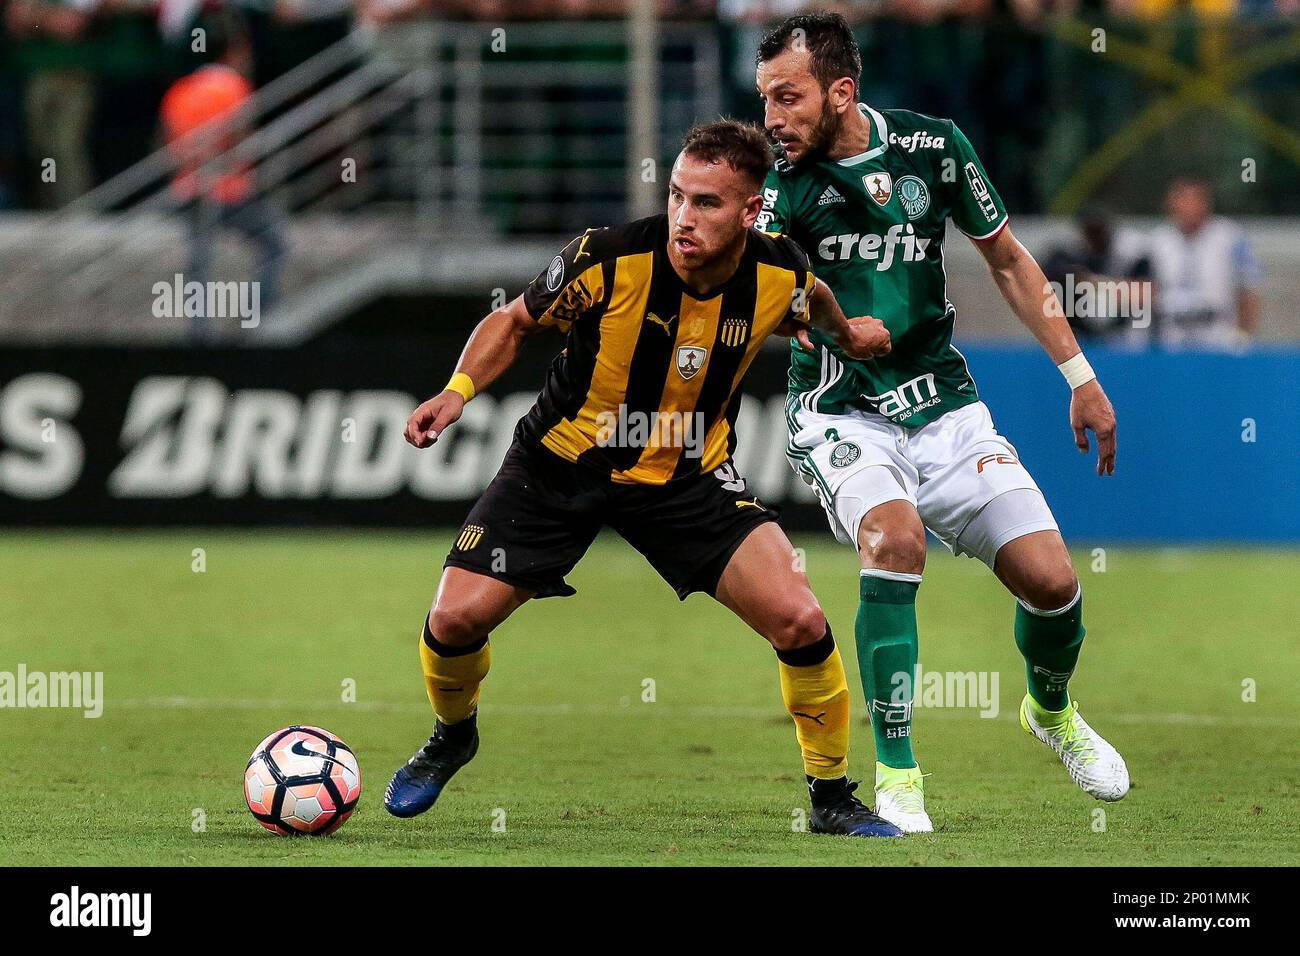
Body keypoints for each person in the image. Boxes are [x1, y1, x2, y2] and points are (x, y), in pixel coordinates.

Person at [384, 118, 905, 837]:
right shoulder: (606, 258)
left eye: (707, 203)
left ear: (750, 211)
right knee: (453, 621)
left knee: (802, 620)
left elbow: (812, 302)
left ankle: (831, 797)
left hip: (688, 477)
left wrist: (848, 335)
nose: (684, 217)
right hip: (560, 467)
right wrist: (457, 391)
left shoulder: (780, 272)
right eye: (677, 195)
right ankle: (452, 736)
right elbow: (514, 321)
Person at [755, 12, 1129, 833]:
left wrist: (1081, 377)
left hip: (944, 405)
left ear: (840, 92)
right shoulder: (779, 191)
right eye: (766, 100)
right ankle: (898, 773)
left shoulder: (934, 147)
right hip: (841, 409)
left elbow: (1009, 260)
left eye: (788, 98)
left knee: (1054, 585)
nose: (773, 119)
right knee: (895, 541)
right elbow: (755, 301)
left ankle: (1051, 712)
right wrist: (822, 325)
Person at [160, 12, 285, 339]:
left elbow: (171, 149)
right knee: (274, 242)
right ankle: (254, 317)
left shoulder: (180, 90)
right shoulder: (233, 87)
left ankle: (199, 330)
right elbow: (241, 144)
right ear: (235, 49)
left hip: (188, 190)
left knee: (199, 259)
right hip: (229, 192)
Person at [1148, 177, 1263, 351]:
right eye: (1183, 199)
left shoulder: (1230, 236)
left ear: (1206, 203)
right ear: (1171, 204)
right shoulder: (1157, 240)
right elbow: (1149, 289)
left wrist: (1243, 335)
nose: (1189, 206)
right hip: (1171, 333)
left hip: (1218, 332)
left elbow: (1248, 289)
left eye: (1195, 199)